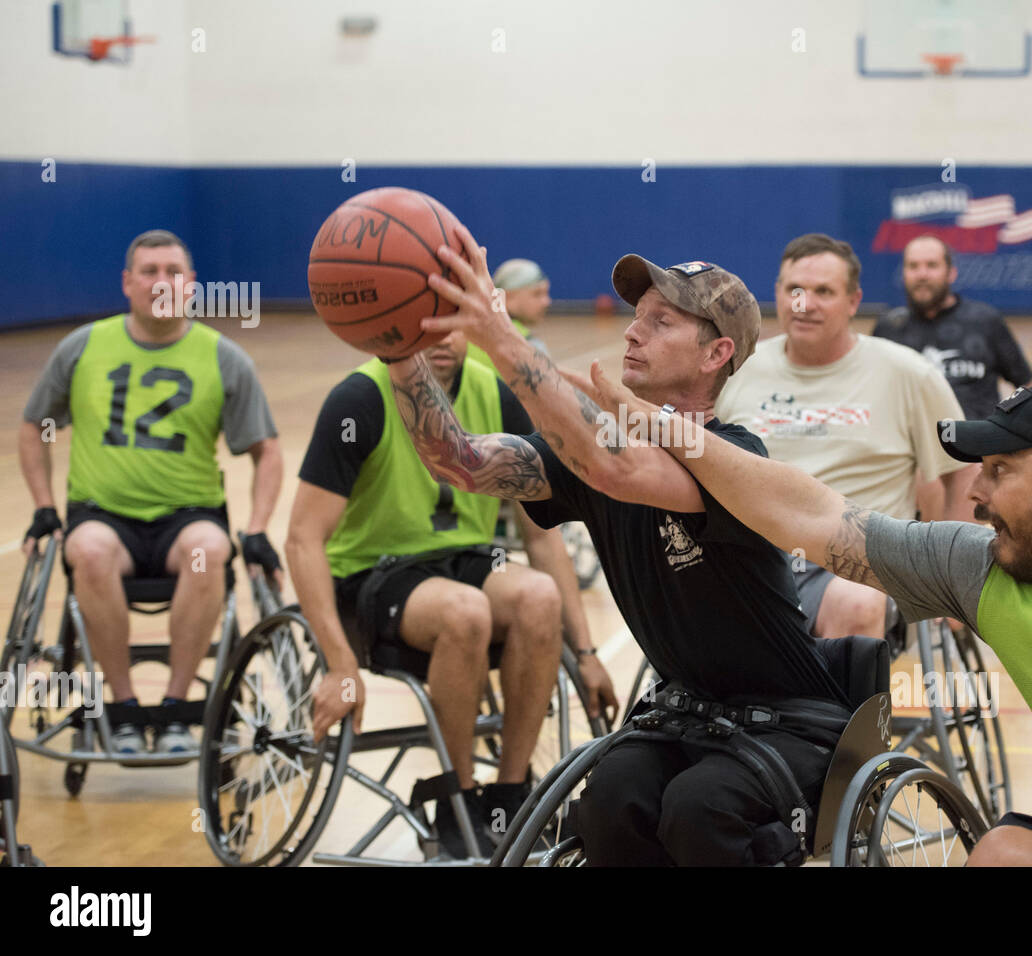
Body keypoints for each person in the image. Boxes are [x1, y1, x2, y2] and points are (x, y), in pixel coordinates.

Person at [587, 372, 1032, 867]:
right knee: (997, 852)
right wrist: (671, 433)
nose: (977, 493)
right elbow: (810, 515)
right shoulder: (978, 566)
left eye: (1000, 471)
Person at [384, 226, 852, 866]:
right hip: (686, 714)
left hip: (790, 719)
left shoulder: (735, 455)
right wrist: (397, 347)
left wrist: (499, 334)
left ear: (716, 354)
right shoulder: (596, 452)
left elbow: (619, 469)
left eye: (661, 322)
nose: (634, 332)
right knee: (609, 801)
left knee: (700, 809)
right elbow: (460, 464)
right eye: (637, 318)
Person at [288, 330, 615, 858]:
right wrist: (338, 664)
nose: (439, 336)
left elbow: (542, 537)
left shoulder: (494, 391)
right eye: (421, 322)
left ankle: (511, 798)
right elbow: (302, 539)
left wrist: (586, 653)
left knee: (537, 597)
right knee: (466, 612)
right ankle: (453, 803)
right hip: (371, 573)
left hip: (467, 559)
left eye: (451, 320)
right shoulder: (359, 398)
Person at [18, 229, 283, 755]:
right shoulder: (83, 346)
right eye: (150, 271)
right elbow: (34, 426)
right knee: (87, 551)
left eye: (173, 272)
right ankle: (120, 708)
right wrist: (45, 507)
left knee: (210, 552)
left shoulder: (225, 358)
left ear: (191, 284)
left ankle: (177, 710)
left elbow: (267, 452)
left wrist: (254, 530)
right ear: (127, 283)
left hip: (188, 518)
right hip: (103, 517)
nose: (162, 282)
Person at [715, 233, 976, 640]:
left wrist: (950, 581)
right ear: (777, 294)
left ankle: (832, 705)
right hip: (752, 560)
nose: (806, 304)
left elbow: (962, 472)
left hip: (859, 565)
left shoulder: (908, 374)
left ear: (854, 301)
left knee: (857, 603)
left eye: (824, 291)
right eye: (795, 289)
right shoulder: (738, 369)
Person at [874, 235, 1032, 421]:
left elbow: (1027, 385)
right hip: (911, 447)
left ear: (951, 273)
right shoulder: (888, 328)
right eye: (913, 266)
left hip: (978, 445)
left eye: (932, 265)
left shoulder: (985, 321)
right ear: (903, 273)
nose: (922, 274)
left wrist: (1010, 431)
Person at [466, 258, 553, 371]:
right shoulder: (530, 346)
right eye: (537, 294)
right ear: (507, 296)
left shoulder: (464, 337)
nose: (547, 302)